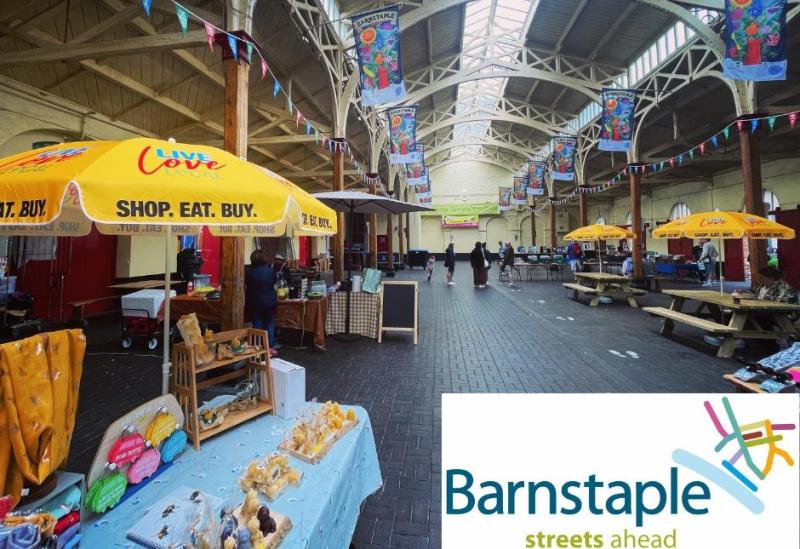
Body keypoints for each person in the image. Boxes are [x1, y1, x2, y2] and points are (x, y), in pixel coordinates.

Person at [245, 250, 278, 355]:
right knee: (270, 323)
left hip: (254, 301)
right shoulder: (270, 271)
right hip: (269, 301)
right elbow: (274, 282)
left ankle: (257, 347)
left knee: (257, 323)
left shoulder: (248, 272)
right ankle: (270, 347)